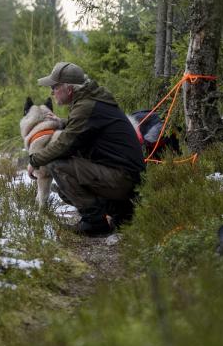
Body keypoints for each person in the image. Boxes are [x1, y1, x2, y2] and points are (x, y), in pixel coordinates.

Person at [27, 60, 145, 235]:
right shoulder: (90, 100)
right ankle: (122, 211)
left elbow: (64, 145)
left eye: (55, 87)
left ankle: (95, 223)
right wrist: (61, 122)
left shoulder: (86, 106)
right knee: (64, 190)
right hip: (127, 176)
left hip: (122, 178)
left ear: (69, 88)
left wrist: (34, 160)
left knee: (57, 166)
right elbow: (83, 127)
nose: (51, 92)